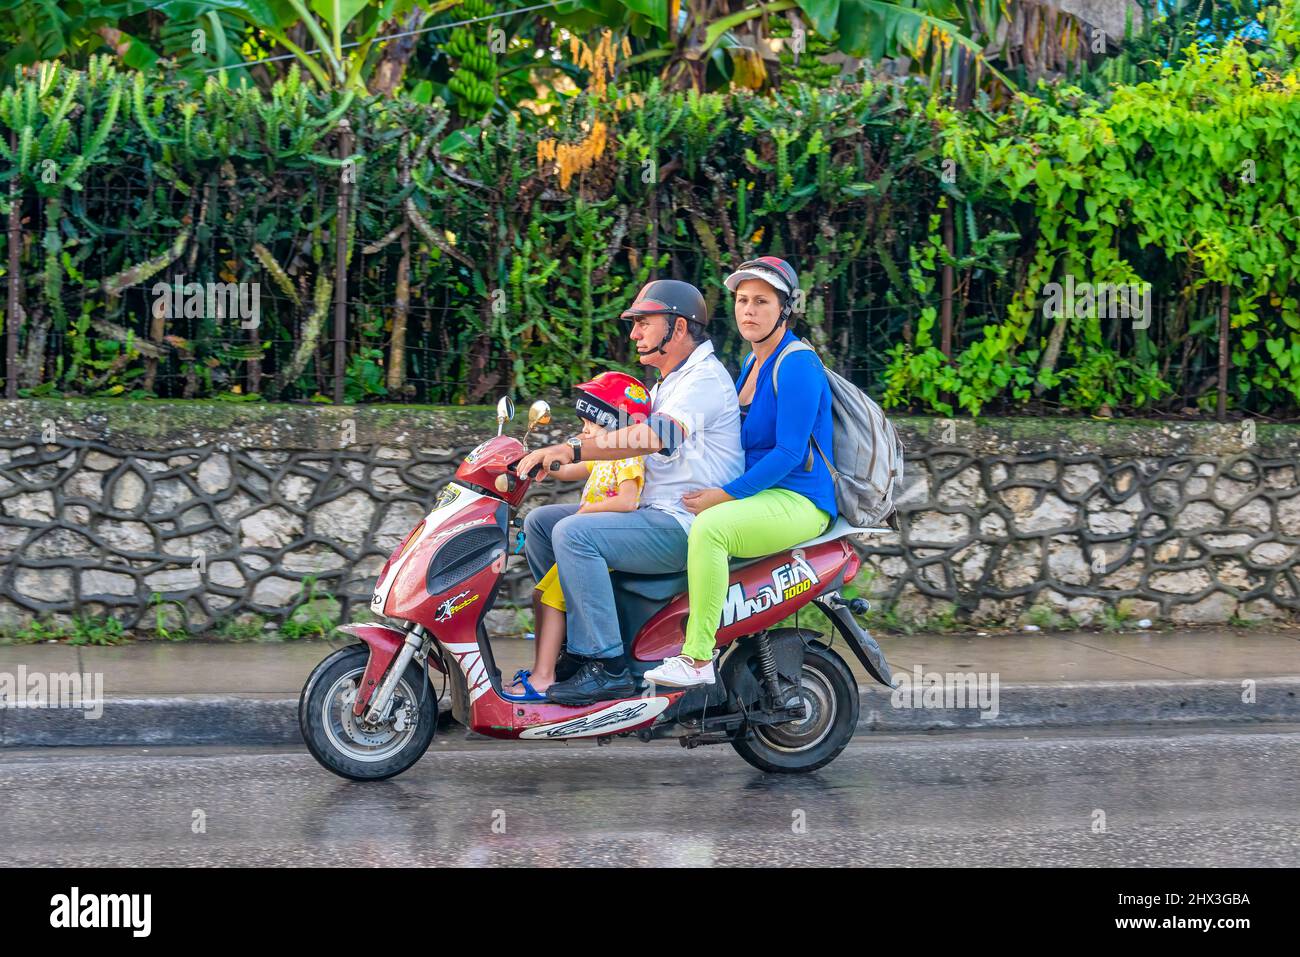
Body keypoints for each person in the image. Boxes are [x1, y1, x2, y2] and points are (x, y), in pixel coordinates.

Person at [516, 279, 744, 706]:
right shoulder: (665, 384)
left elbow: (653, 437)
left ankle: (606, 666)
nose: (635, 333)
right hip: (650, 514)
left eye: (644, 323)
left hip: (682, 523)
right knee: (543, 523)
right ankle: (572, 647)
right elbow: (618, 449)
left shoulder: (704, 380)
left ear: (677, 328)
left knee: (574, 534)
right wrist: (552, 459)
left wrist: (573, 447)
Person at [644, 257, 836, 688]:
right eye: (742, 300)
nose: (748, 310)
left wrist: (724, 495)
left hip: (800, 499)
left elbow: (788, 452)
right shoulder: (750, 365)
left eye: (762, 301)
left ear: (785, 309)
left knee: (711, 529)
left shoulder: (798, 364)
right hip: (762, 495)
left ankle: (696, 658)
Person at [503, 372, 650, 701]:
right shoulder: (603, 456)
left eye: (590, 425)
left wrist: (587, 514)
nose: (584, 432)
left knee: (551, 599)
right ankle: (553, 665)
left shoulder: (627, 455)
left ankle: (542, 678)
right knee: (542, 596)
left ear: (615, 426)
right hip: (587, 537)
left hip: (601, 544)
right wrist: (540, 461)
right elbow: (569, 469)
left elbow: (628, 500)